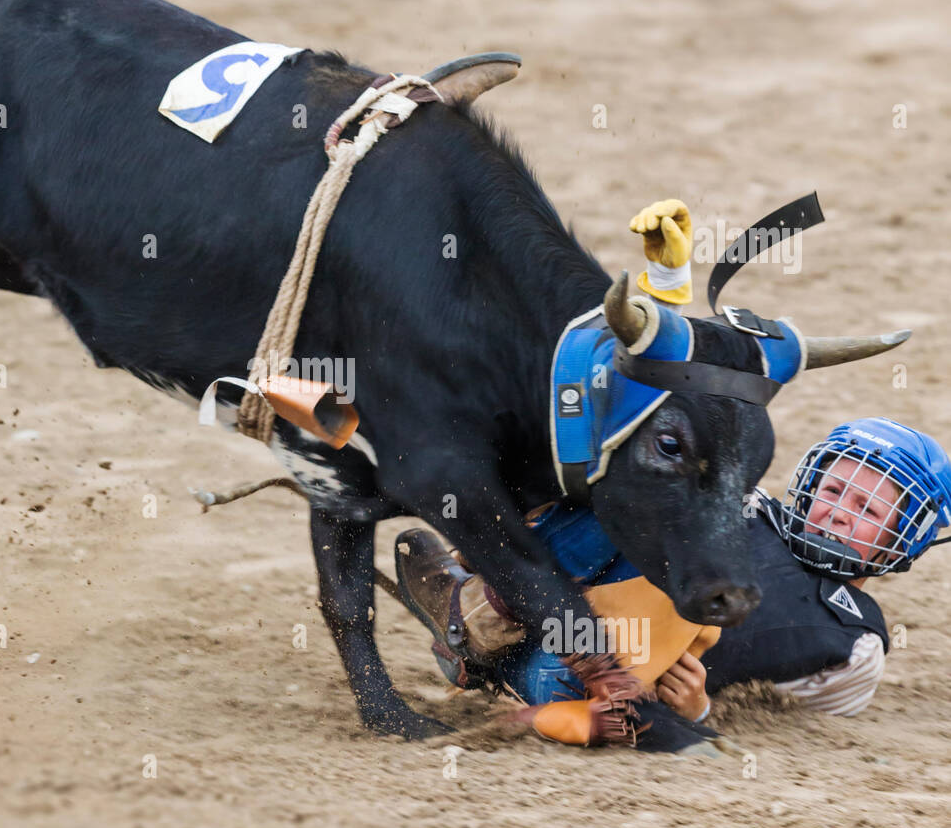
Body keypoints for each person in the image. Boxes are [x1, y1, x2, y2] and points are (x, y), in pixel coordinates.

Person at [395, 202, 951, 749]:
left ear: (901, 544)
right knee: (648, 478)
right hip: (560, 598)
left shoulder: (858, 644)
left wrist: (700, 708)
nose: (837, 510)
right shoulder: (749, 505)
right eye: (836, 489)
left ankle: (476, 635)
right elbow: (682, 378)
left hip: (591, 677)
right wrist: (665, 283)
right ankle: (481, 598)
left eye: (869, 511)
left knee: (565, 680)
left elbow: (794, 718)